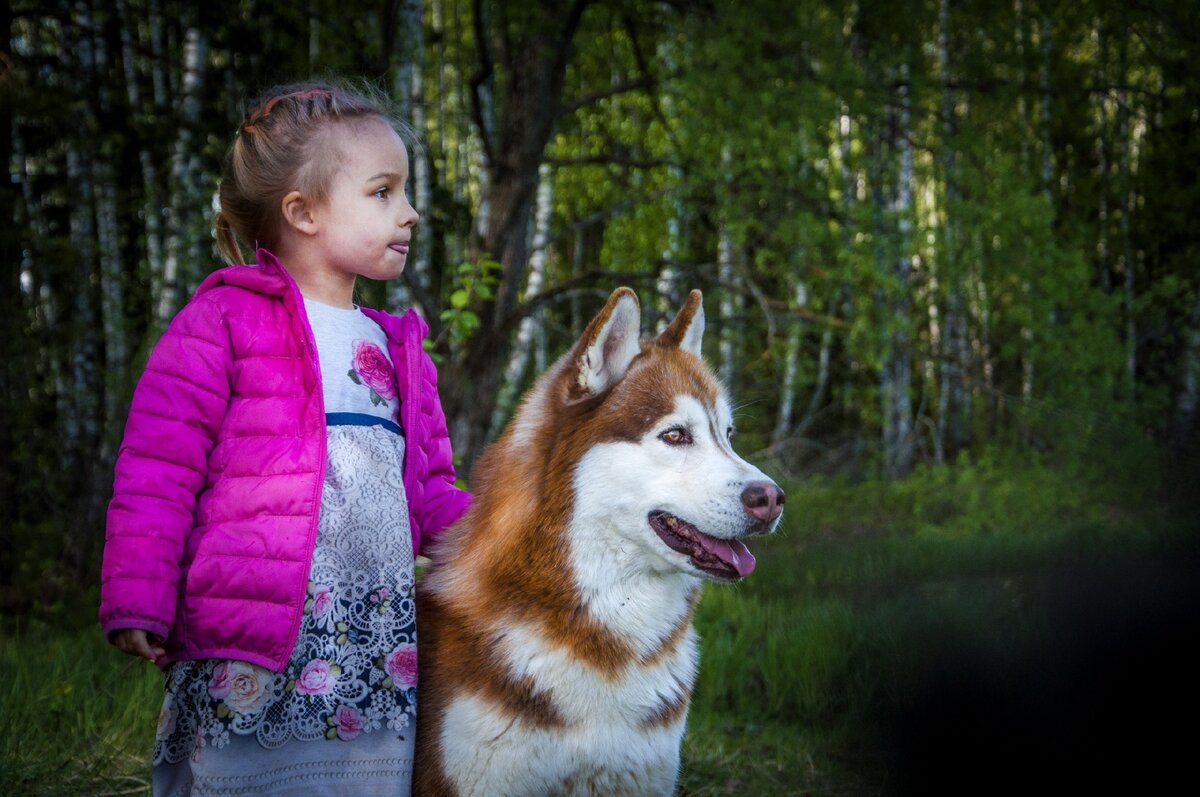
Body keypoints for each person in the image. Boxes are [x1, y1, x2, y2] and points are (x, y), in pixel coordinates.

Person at [98, 82, 471, 796]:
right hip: (260, 628)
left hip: (369, 635)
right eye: (383, 192)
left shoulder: (398, 348)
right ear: (302, 212)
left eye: (405, 191)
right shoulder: (222, 323)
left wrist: (511, 540)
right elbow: (159, 469)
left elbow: (428, 492)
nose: (410, 211)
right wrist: (138, 595)